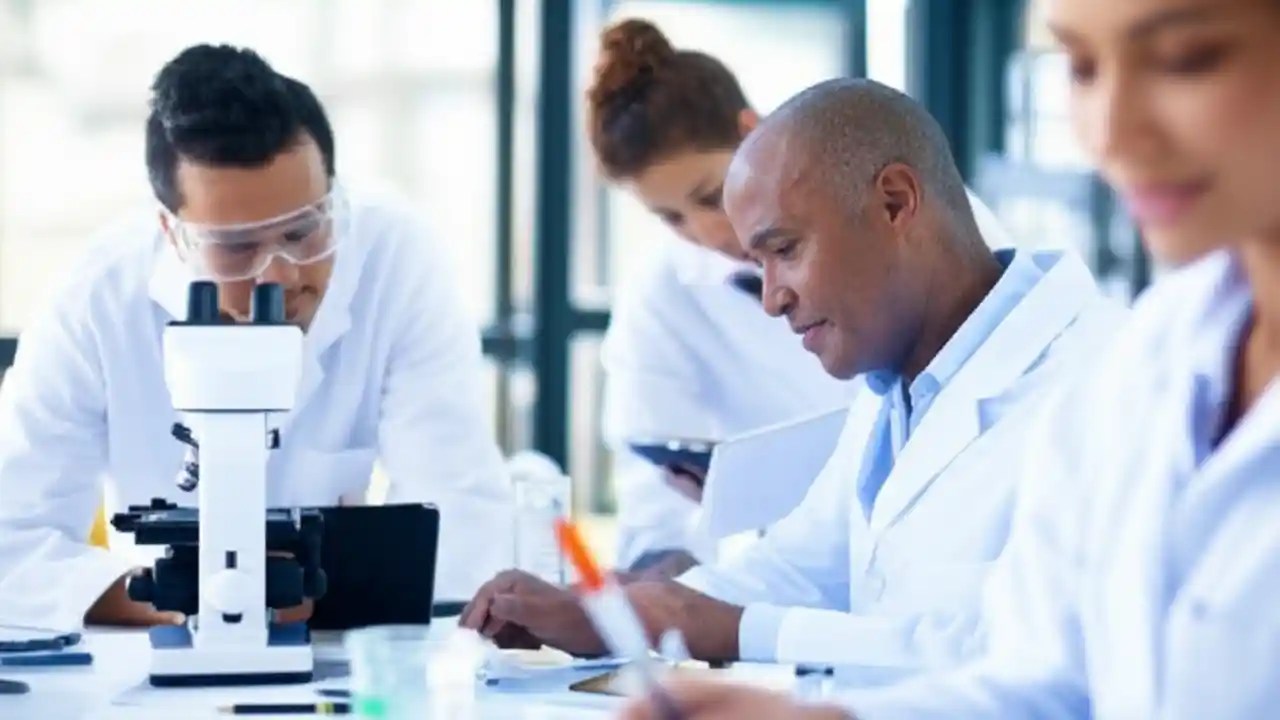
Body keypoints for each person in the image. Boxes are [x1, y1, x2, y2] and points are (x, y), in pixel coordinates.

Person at [620, 0, 1280, 717]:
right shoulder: (1151, 365)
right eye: (1082, 68)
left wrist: (746, 631)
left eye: (1187, 60)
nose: (1110, 135)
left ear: (897, 202)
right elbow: (1050, 681)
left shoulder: (1093, 364)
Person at [462, 77, 1122, 671]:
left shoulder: (1103, 389)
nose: (772, 296)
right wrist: (611, 617)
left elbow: (1037, 650)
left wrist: (729, 630)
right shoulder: (897, 383)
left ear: (894, 202)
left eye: (785, 251)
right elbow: (801, 570)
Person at [0, 44, 514, 632]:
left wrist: (328, 598)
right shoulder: (97, 298)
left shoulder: (397, 260)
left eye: (302, 232)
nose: (282, 276)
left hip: (344, 647)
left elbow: (462, 517)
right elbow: (9, 542)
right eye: (239, 247)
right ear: (172, 233)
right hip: (160, 642)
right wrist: (187, 601)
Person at [590, 19, 1013, 575]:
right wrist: (666, 582)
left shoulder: (939, 230)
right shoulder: (660, 297)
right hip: (797, 571)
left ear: (752, 132)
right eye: (672, 219)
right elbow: (654, 504)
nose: (713, 236)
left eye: (712, 197)